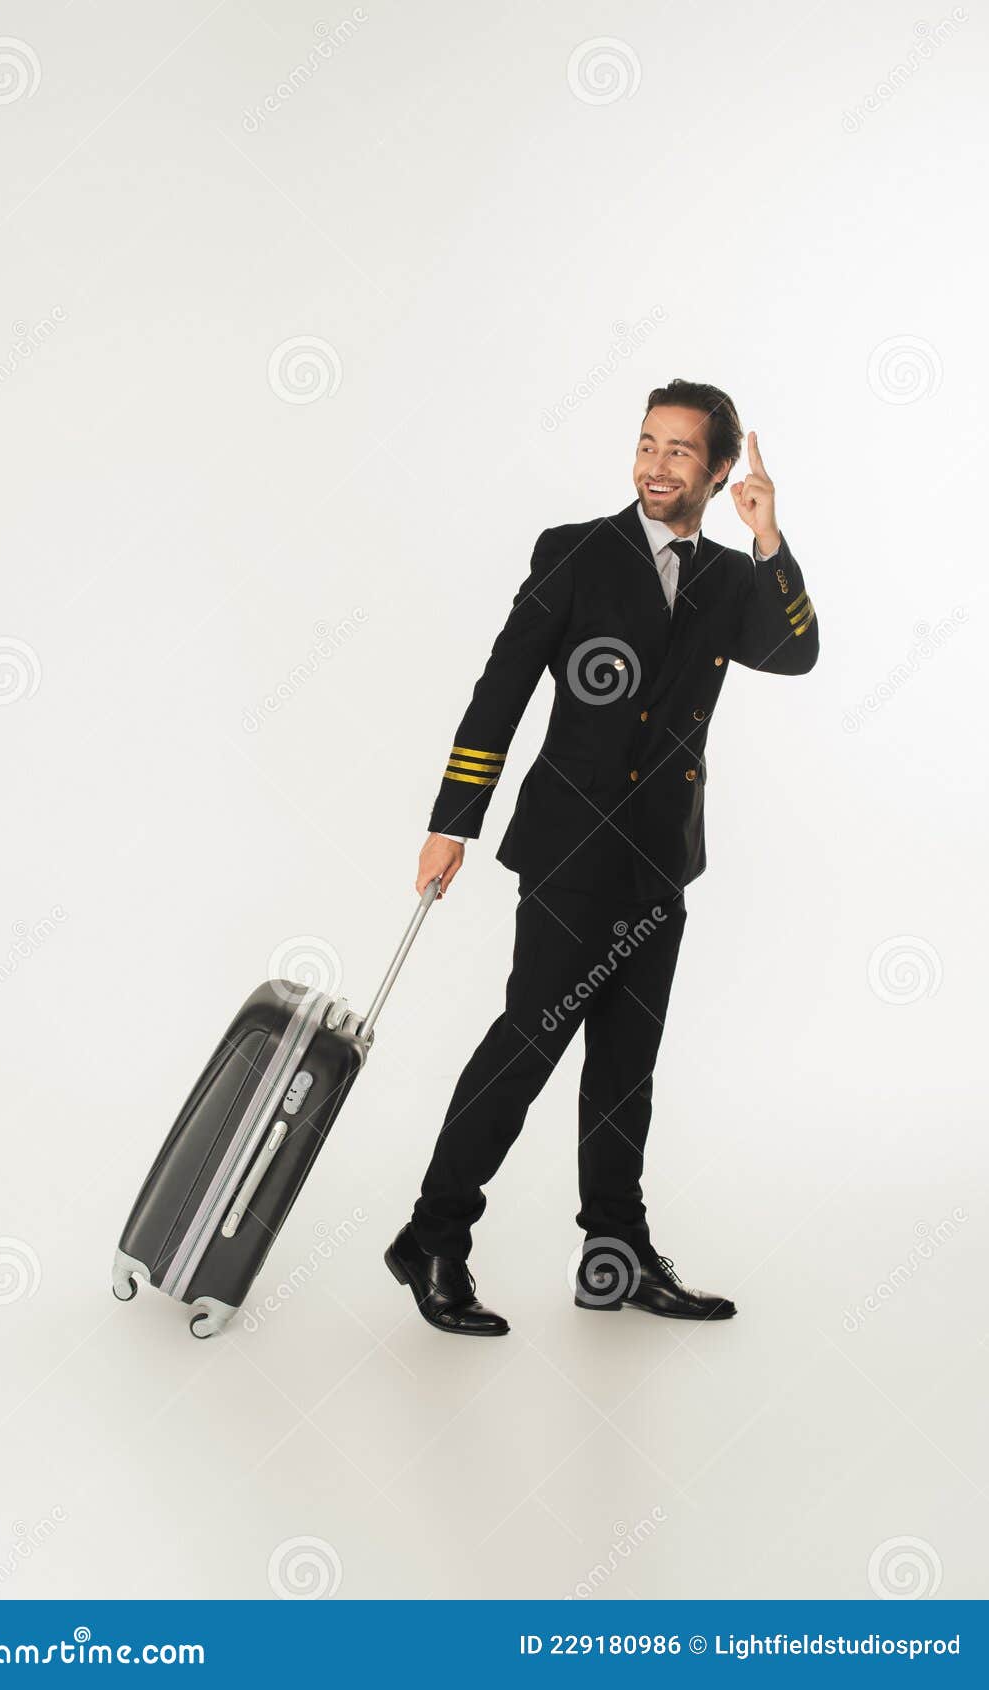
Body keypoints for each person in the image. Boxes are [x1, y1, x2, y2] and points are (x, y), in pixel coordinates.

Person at [384, 378, 819, 1336]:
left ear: (715, 472)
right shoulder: (574, 552)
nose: (656, 466)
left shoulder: (731, 578)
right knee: (527, 1045)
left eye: (679, 453)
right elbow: (499, 690)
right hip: (571, 852)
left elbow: (796, 653)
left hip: (660, 860)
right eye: (646, 444)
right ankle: (432, 1239)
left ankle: (613, 1258)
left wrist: (770, 538)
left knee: (627, 1065)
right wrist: (452, 821)